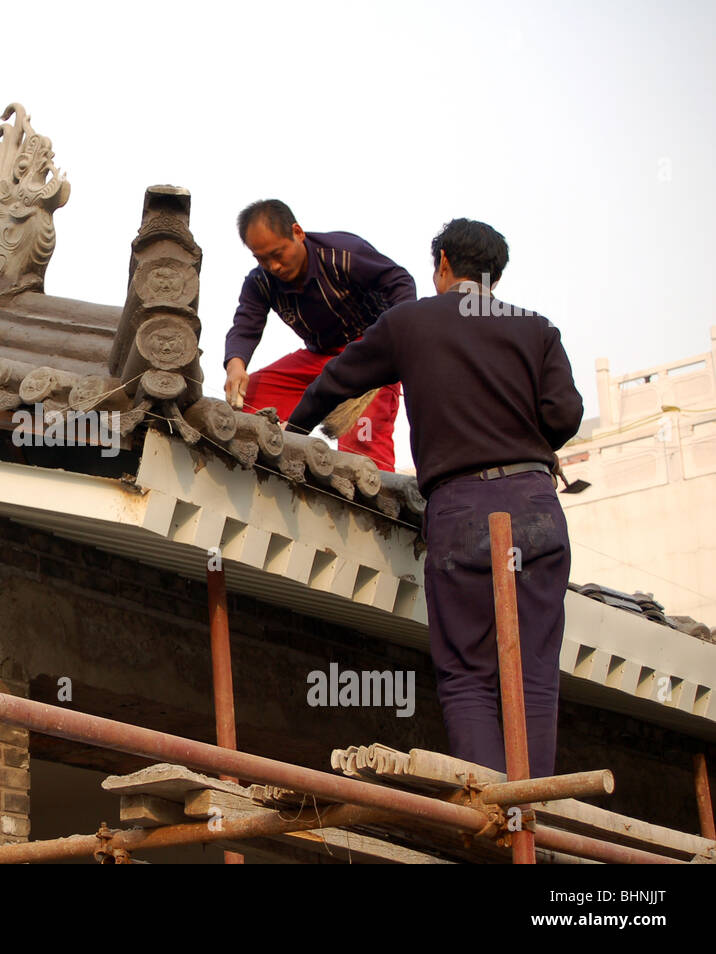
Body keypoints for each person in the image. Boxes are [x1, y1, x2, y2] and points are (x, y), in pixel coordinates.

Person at [283, 218, 583, 780]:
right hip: (537, 509)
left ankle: (494, 818)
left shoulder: (410, 323)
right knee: (535, 671)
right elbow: (565, 416)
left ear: (443, 263)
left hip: (461, 511)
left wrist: (289, 432)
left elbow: (335, 382)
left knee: (469, 672)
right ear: (494, 275)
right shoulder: (536, 329)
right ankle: (531, 811)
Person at [223, 200, 416, 471]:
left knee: (362, 448)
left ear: (298, 233)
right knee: (246, 400)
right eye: (261, 259)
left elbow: (399, 281)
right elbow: (245, 325)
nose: (273, 266)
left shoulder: (343, 254)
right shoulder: (259, 283)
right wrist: (236, 366)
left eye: (278, 254)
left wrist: (395, 343)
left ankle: (374, 507)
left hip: (370, 353)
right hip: (320, 357)